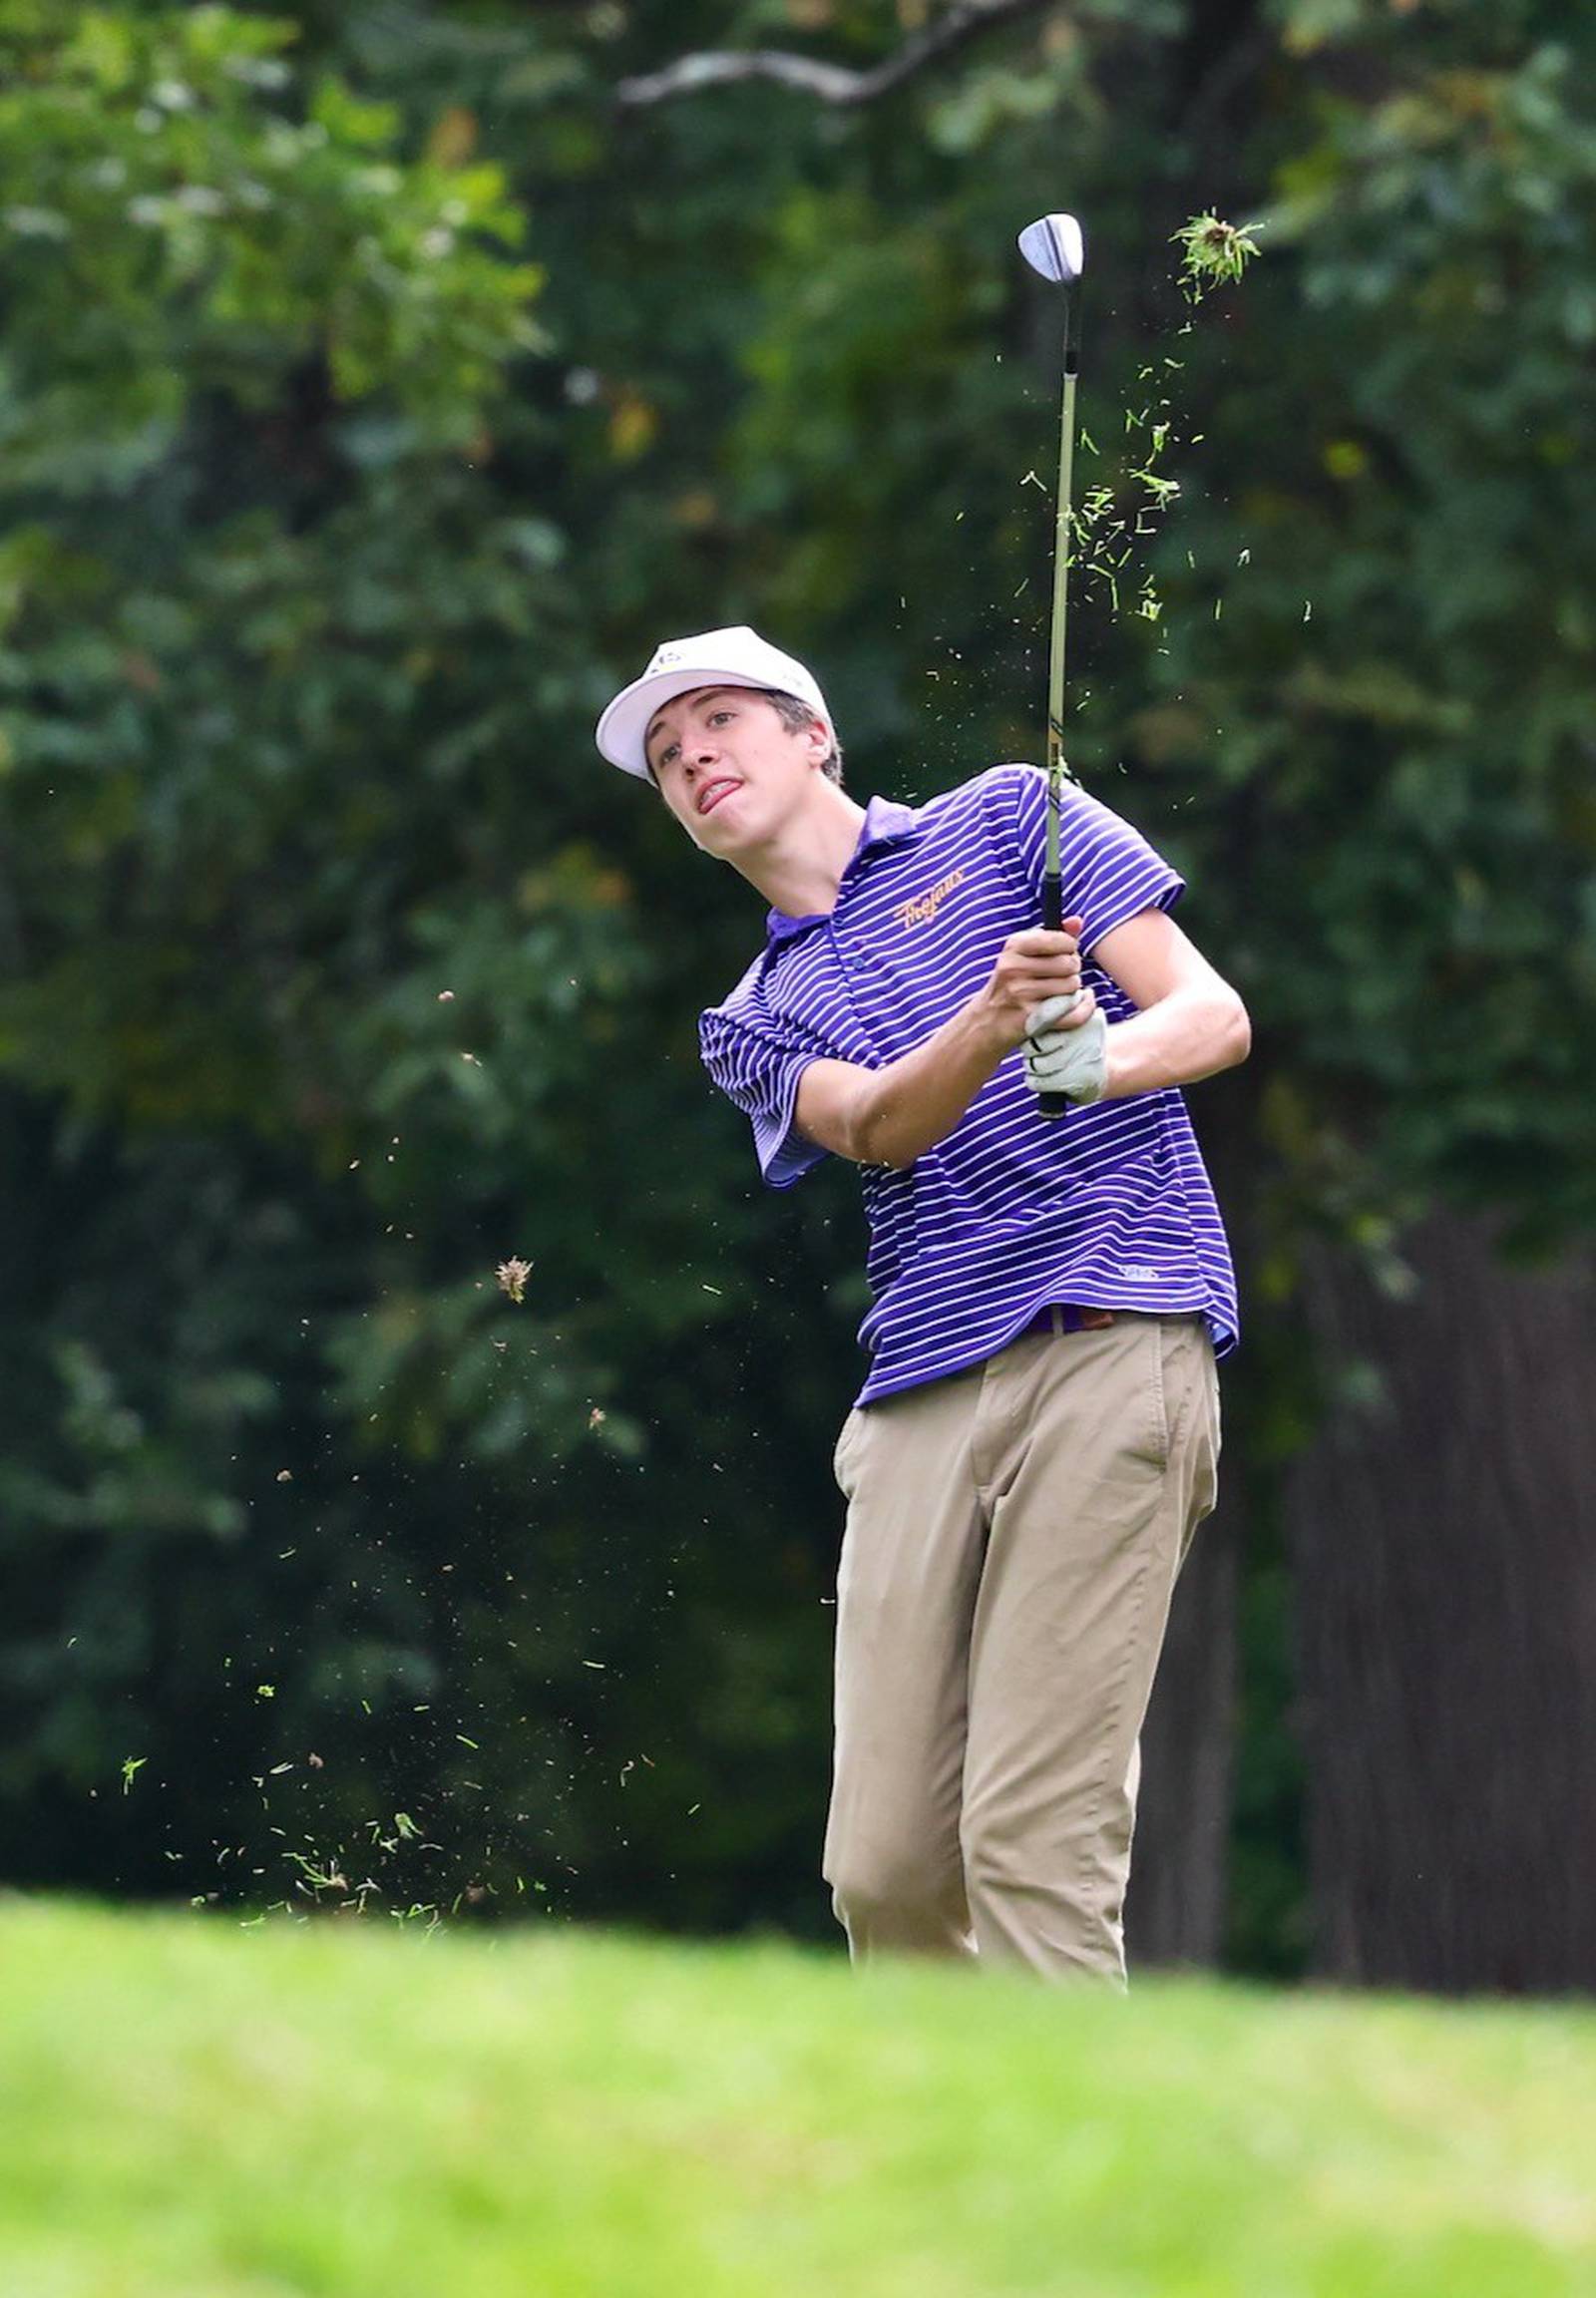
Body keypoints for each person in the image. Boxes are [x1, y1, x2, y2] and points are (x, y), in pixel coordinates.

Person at [595, 624, 1249, 1985]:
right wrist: (994, 1023)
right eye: (665, 754)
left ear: (814, 736)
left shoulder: (1011, 814)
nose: (692, 756)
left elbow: (1210, 1017)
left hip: (1111, 1332)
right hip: (919, 1397)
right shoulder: (752, 1015)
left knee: (1031, 1844)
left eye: (719, 720)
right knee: (884, 1871)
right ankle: (946, 2115)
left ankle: (1067, 2127)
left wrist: (1092, 1061)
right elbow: (879, 1125)